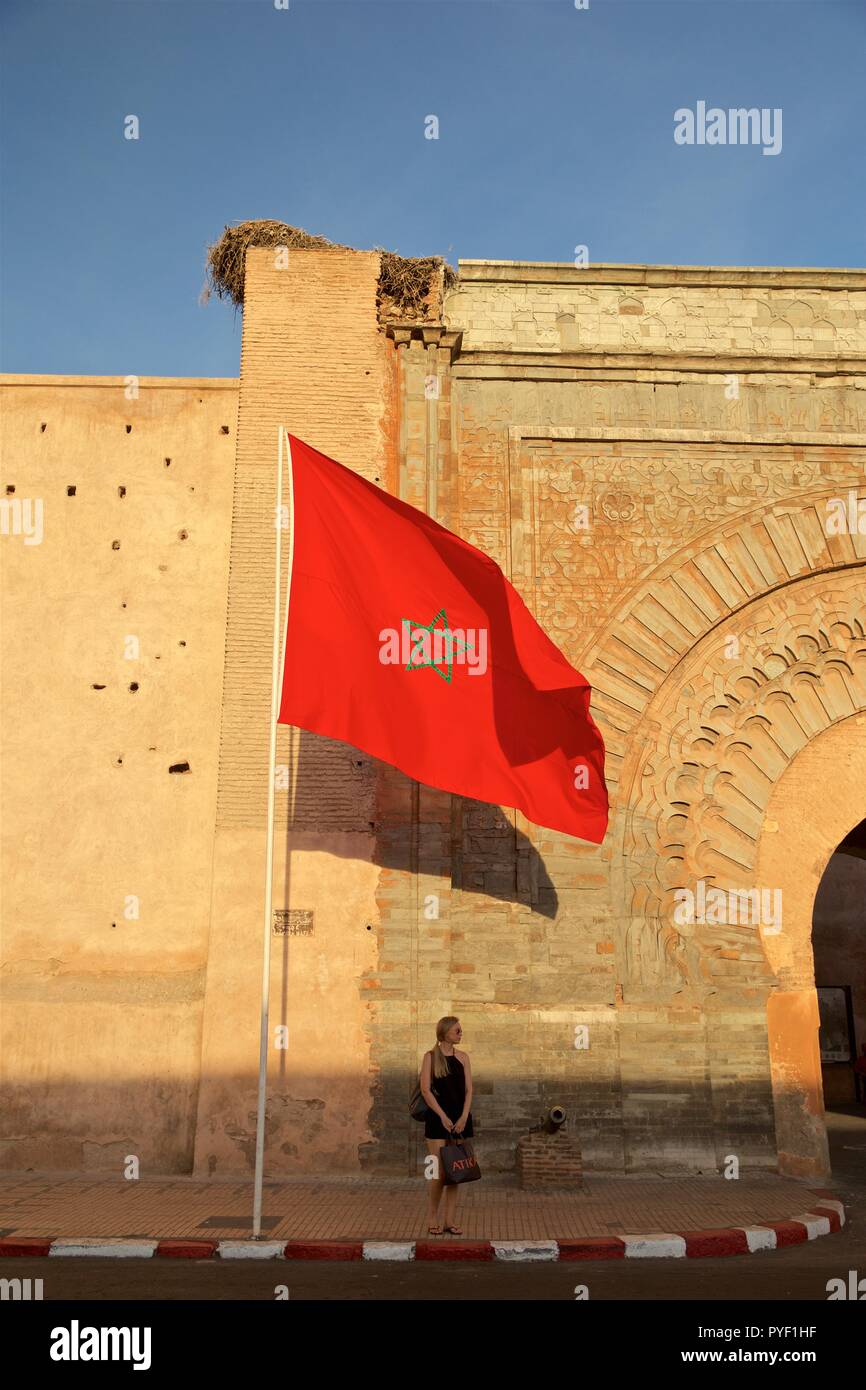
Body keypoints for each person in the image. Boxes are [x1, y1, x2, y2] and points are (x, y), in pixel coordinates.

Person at [420, 1015, 474, 1236]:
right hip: (436, 1121)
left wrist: (463, 1117)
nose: (461, 1034)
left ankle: (449, 1221)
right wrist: (442, 1116)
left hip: (460, 1121)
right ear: (445, 1033)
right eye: (457, 1031)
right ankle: (432, 1216)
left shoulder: (463, 1058)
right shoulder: (430, 1057)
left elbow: (470, 1090)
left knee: (456, 1172)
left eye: (461, 1030)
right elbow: (425, 1090)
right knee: (438, 1172)